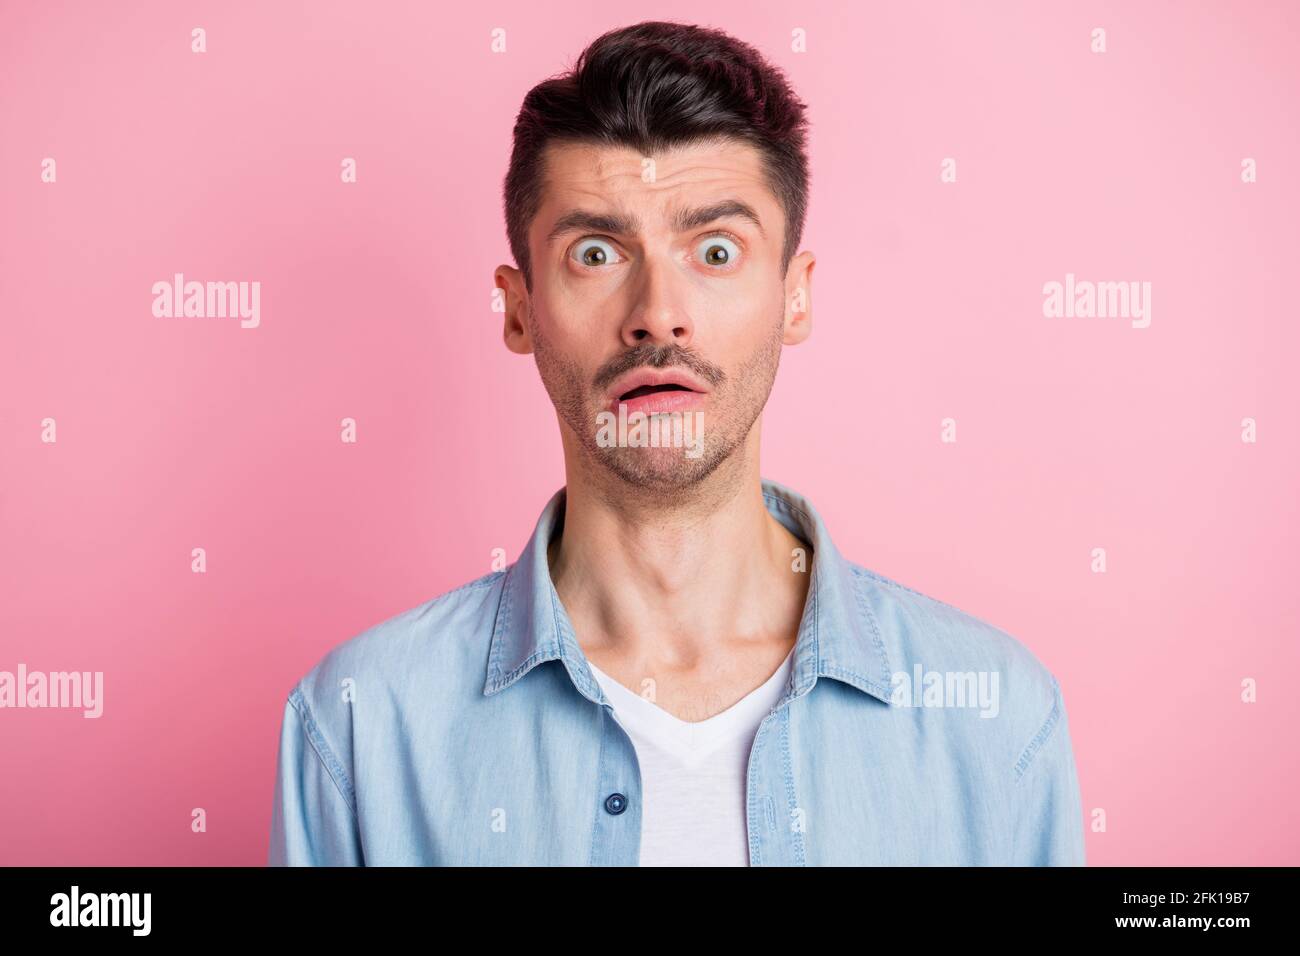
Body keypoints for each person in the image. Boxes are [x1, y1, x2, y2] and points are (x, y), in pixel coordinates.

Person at [269, 19, 1085, 866]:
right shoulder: (360, 724)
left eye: (717, 250)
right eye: (595, 252)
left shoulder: (997, 719)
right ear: (519, 308)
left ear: (793, 299)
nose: (658, 311)